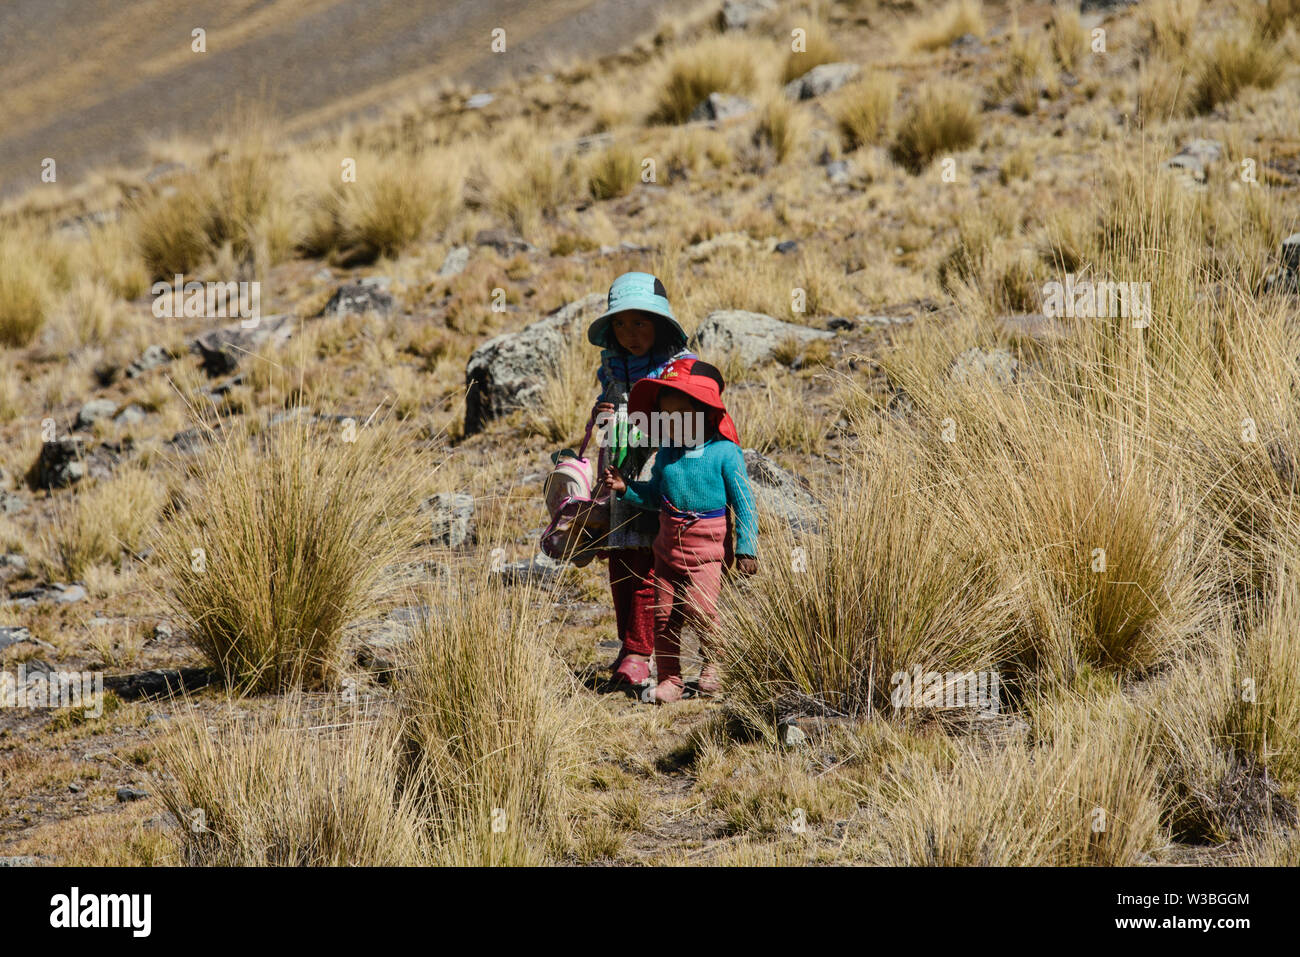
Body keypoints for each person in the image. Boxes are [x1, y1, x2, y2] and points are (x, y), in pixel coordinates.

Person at [603, 357, 759, 704]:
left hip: (707, 552)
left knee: (700, 609)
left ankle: (713, 665)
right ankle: (671, 679)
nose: (669, 422)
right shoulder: (667, 455)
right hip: (666, 552)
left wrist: (747, 546)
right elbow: (655, 496)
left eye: (677, 414)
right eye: (664, 415)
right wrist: (624, 487)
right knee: (662, 617)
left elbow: (745, 502)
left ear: (702, 411)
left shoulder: (725, 453)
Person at [586, 272, 694, 689]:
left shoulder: (679, 368)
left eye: (641, 323)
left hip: (658, 472)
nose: (630, 334)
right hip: (618, 471)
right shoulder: (612, 366)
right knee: (620, 561)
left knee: (650, 561)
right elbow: (605, 409)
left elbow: (690, 424)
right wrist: (604, 417)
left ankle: (642, 651)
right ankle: (630, 645)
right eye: (621, 324)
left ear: (661, 324)